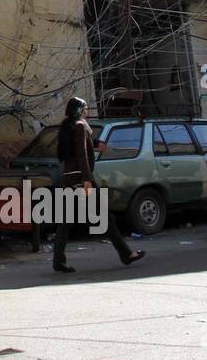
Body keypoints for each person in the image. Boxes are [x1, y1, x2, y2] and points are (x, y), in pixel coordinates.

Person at [52, 97, 145, 274]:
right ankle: (126, 254)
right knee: (105, 216)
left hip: (70, 176)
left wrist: (96, 144)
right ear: (79, 110)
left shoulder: (69, 125)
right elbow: (81, 154)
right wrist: (87, 180)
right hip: (80, 178)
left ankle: (58, 261)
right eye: (85, 108)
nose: (87, 111)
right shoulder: (79, 125)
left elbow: (79, 146)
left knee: (66, 220)